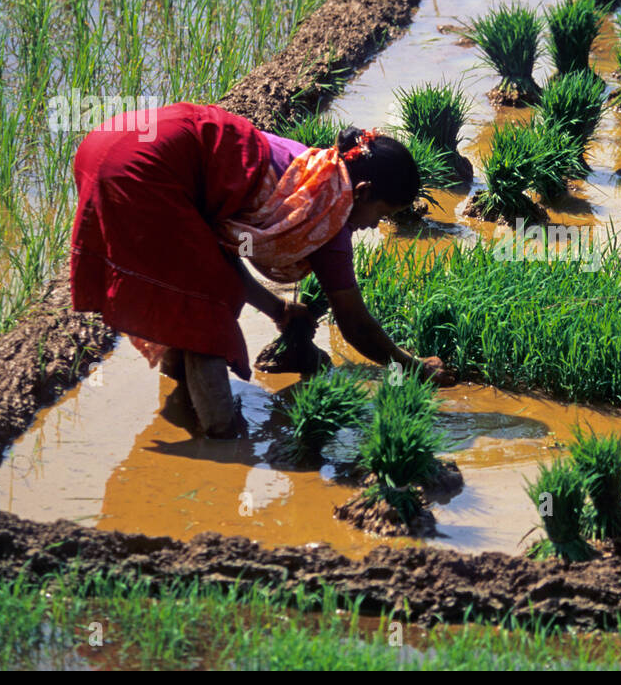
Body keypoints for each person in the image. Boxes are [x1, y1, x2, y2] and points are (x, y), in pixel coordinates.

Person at [70, 102, 455, 438]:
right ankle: (222, 434)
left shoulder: (308, 167)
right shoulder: (326, 219)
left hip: (109, 142)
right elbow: (355, 324)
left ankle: (179, 386)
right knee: (208, 307)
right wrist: (413, 366)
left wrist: (279, 311)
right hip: (144, 168)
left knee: (196, 279)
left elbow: (219, 254)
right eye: (381, 214)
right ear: (365, 191)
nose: (373, 226)